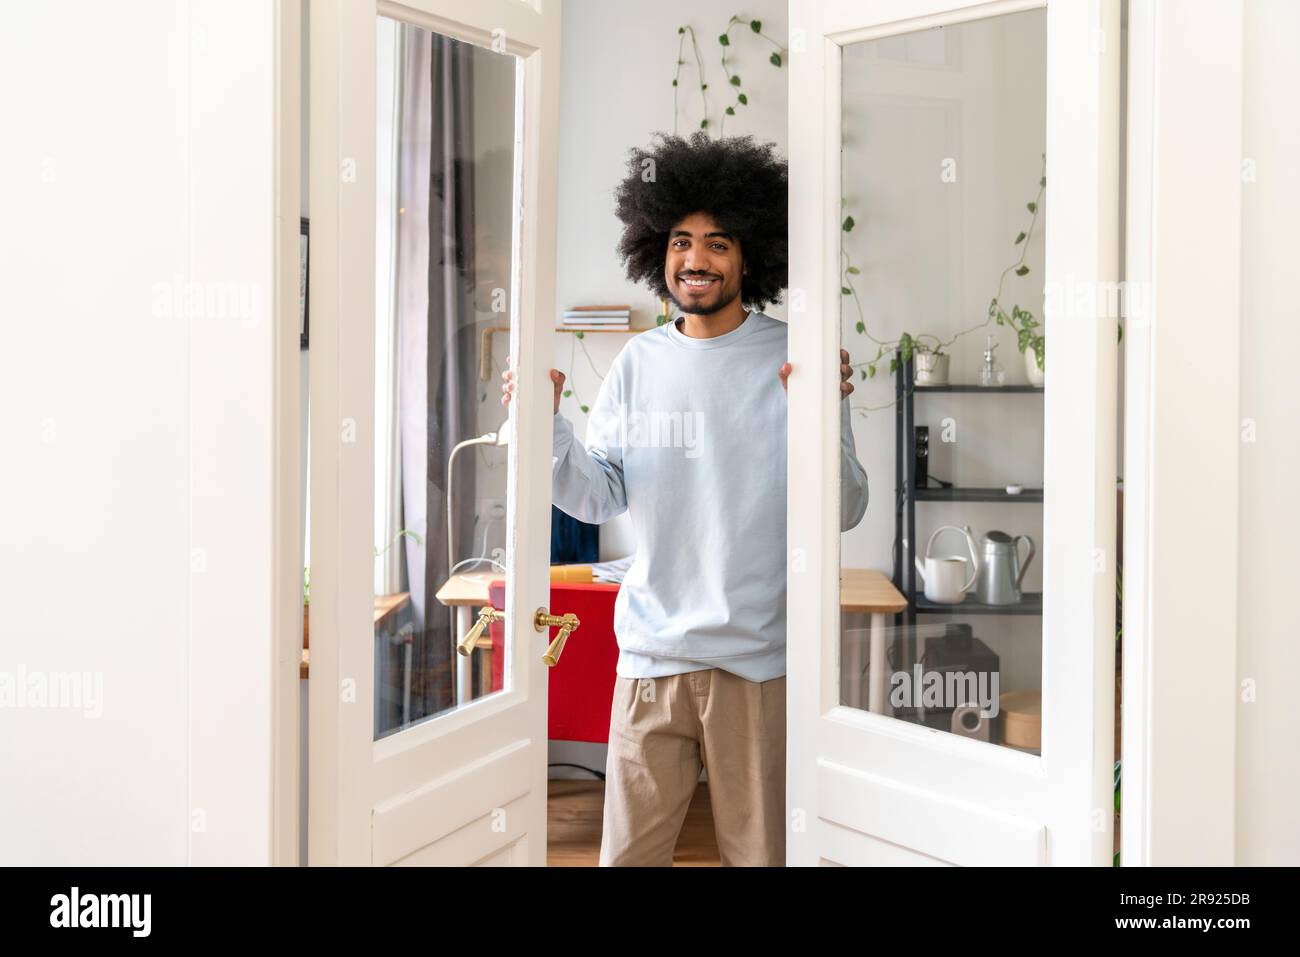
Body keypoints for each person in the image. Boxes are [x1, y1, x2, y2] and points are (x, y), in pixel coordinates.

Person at [502, 132, 868, 866]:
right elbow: (599, 494)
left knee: (759, 856)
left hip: (757, 663)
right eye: (679, 241)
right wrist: (544, 429)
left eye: (717, 243)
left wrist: (815, 410)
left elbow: (846, 506)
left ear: (748, 257)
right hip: (651, 656)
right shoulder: (638, 362)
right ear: (656, 250)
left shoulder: (796, 357)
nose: (695, 259)